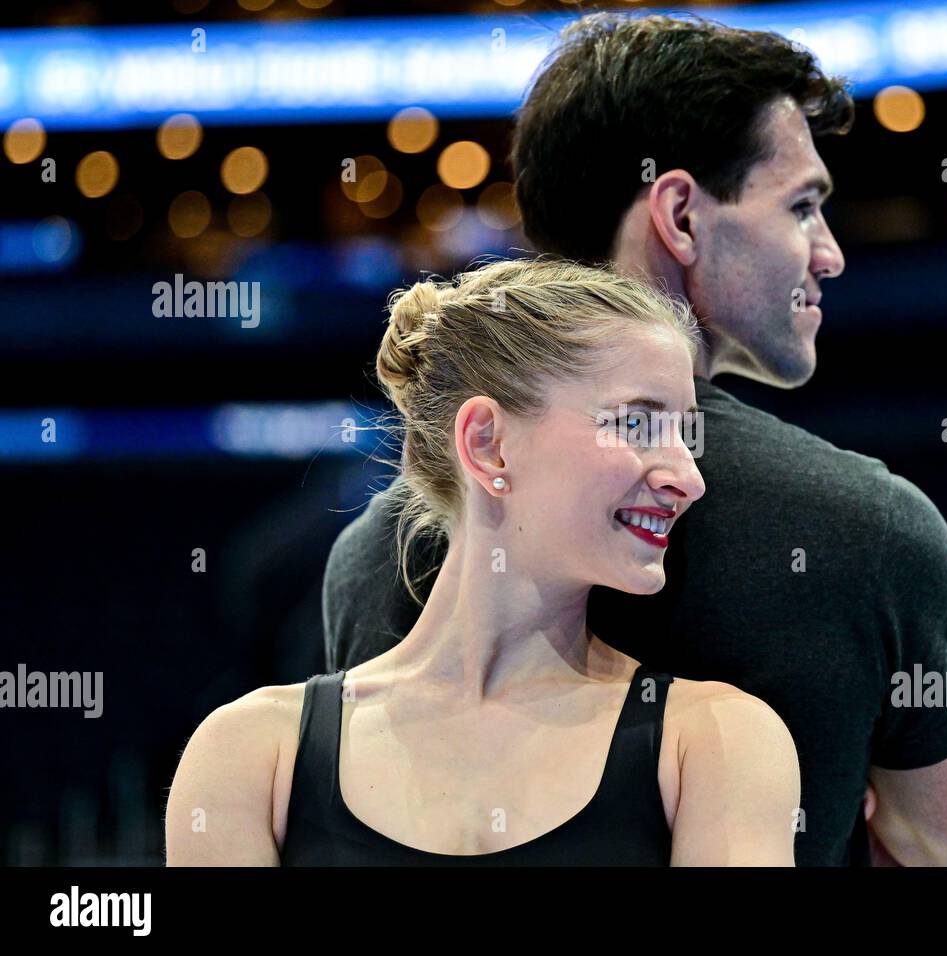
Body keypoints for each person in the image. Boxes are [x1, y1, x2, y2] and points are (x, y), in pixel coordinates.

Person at [325, 12, 947, 866]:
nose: (831, 255)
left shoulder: (366, 562)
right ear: (681, 217)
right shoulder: (871, 531)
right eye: (803, 207)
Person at [165, 258, 801, 866]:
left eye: (685, 436)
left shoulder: (716, 743)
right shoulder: (251, 756)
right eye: (637, 424)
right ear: (487, 444)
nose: (689, 480)